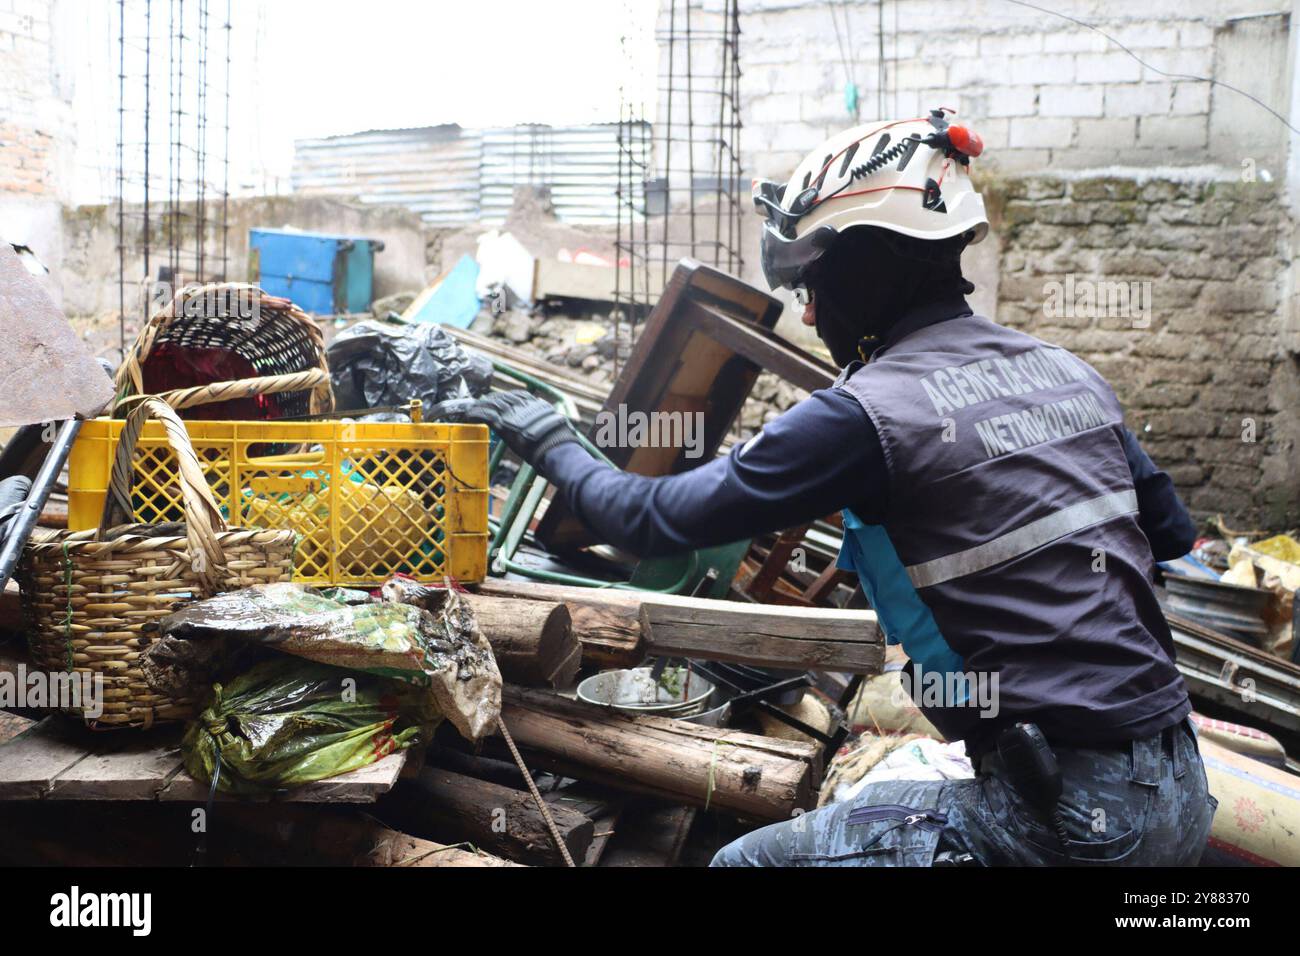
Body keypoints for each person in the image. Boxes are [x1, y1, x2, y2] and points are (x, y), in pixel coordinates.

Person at [437, 110, 1217, 866]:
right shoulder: (1066, 371)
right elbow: (1172, 538)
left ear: (871, 262)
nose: (808, 311)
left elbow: (647, 520)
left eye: (813, 279)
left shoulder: (871, 413)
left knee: (745, 864)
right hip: (1180, 786)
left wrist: (546, 437)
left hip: (1072, 819)